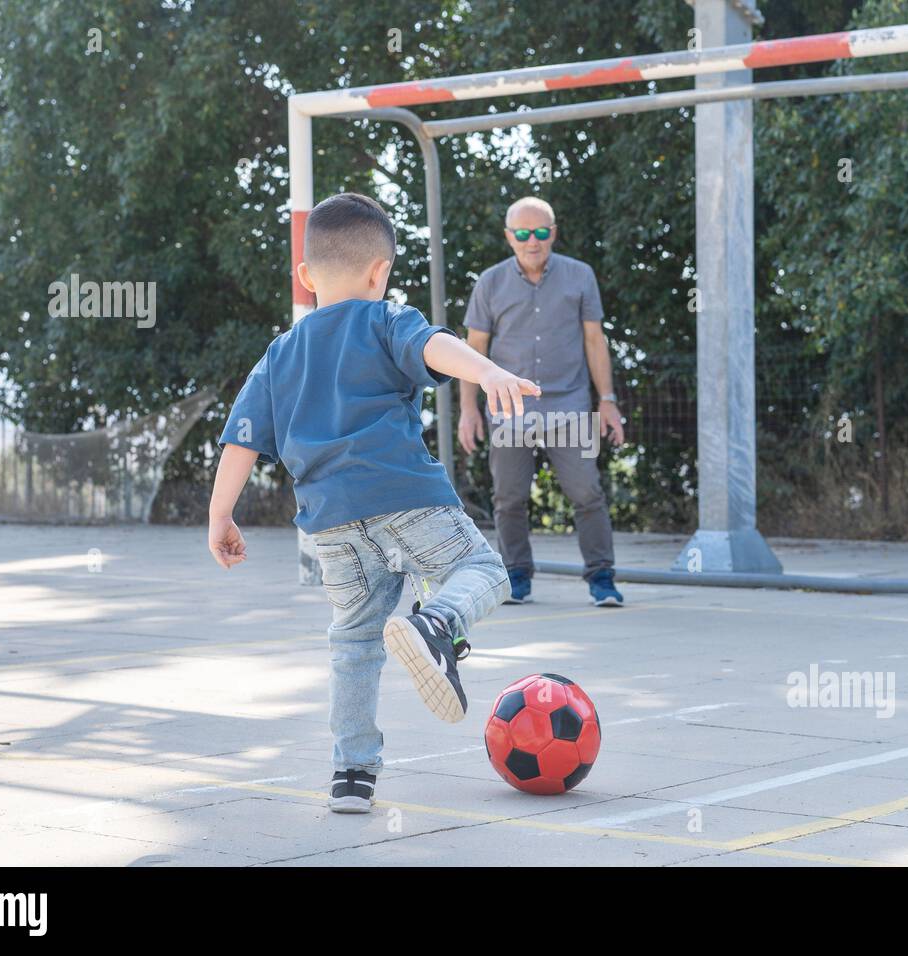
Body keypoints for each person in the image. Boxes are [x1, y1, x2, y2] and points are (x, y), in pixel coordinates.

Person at [207, 192, 539, 813]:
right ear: (379, 273)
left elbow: (241, 438)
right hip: (404, 493)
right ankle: (439, 624)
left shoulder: (280, 353)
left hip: (330, 521)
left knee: (354, 642)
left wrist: (220, 514)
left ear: (305, 277)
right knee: (485, 572)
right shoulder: (386, 319)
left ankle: (352, 776)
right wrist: (487, 372)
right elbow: (435, 345)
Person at [459, 196, 626, 607]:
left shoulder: (580, 276)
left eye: (539, 232)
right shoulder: (490, 283)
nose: (531, 241)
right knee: (508, 497)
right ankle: (517, 577)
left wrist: (607, 400)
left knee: (587, 492)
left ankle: (602, 579)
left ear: (552, 233)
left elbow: (594, 340)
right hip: (508, 408)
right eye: (522, 233)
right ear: (509, 236)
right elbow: (473, 349)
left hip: (570, 404)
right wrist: (467, 409)